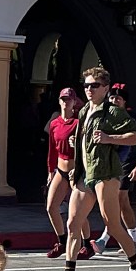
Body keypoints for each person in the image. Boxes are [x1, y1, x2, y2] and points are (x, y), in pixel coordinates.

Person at [46, 66, 136, 271]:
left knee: (112, 223)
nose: (89, 89)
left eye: (94, 85)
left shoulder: (113, 112)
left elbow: (135, 136)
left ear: (105, 87)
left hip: (106, 173)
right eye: (86, 85)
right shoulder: (84, 112)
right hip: (86, 174)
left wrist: (108, 138)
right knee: (73, 223)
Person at [91, 83, 136, 254]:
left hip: (129, 161)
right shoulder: (105, 116)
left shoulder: (133, 118)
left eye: (118, 98)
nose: (115, 100)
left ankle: (103, 240)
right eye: (112, 97)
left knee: (118, 199)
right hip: (112, 162)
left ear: (124, 101)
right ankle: (135, 239)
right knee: (121, 203)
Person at [44, 88, 87, 259]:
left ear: (75, 102)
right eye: (63, 99)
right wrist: (50, 170)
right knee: (51, 206)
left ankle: (87, 242)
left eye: (69, 99)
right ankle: (62, 241)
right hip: (60, 169)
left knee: (78, 210)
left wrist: (76, 144)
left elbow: (86, 148)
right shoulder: (55, 123)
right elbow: (52, 150)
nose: (66, 102)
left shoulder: (79, 123)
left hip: (76, 170)